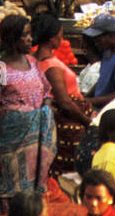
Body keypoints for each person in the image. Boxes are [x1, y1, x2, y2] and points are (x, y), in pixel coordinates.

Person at [0, 13, 55, 211]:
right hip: (10, 143)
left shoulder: (32, 62)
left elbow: (46, 90)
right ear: (12, 39)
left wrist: (44, 110)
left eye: (30, 34)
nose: (30, 39)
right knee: (10, 192)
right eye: (25, 35)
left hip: (35, 143)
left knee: (31, 192)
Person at [32, 14, 90, 175]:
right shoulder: (52, 66)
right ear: (52, 38)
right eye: (60, 34)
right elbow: (64, 102)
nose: (62, 38)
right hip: (67, 124)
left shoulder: (33, 60)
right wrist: (87, 122)